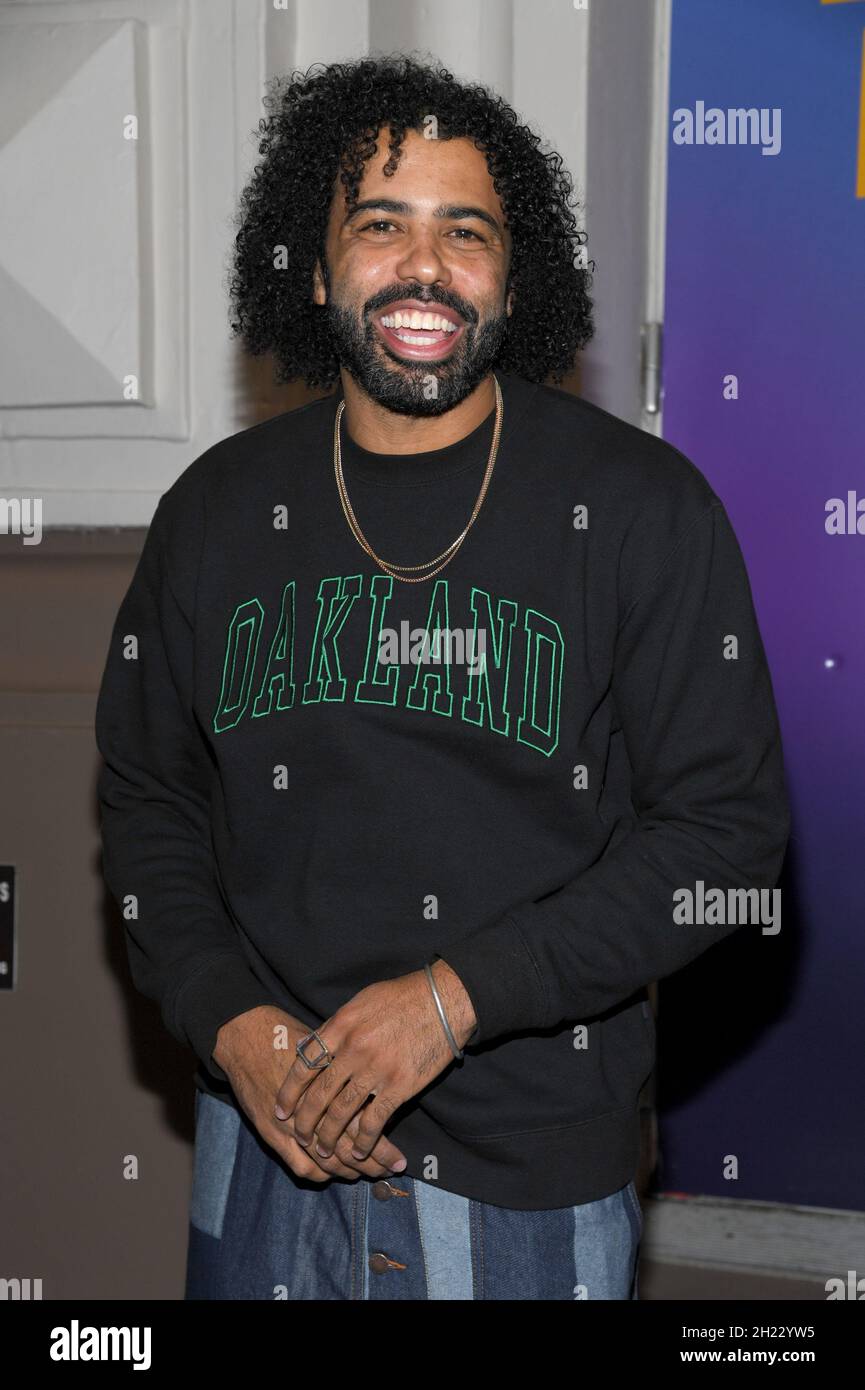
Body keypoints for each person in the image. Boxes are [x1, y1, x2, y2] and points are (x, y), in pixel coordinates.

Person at [94, 54, 790, 1301]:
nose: (424, 268)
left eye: (465, 233)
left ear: (511, 279)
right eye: (380, 226)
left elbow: (727, 847)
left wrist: (453, 1000)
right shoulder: (212, 514)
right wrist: (228, 1023)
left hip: (522, 1181)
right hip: (259, 1152)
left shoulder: (641, 511)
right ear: (314, 270)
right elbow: (149, 804)